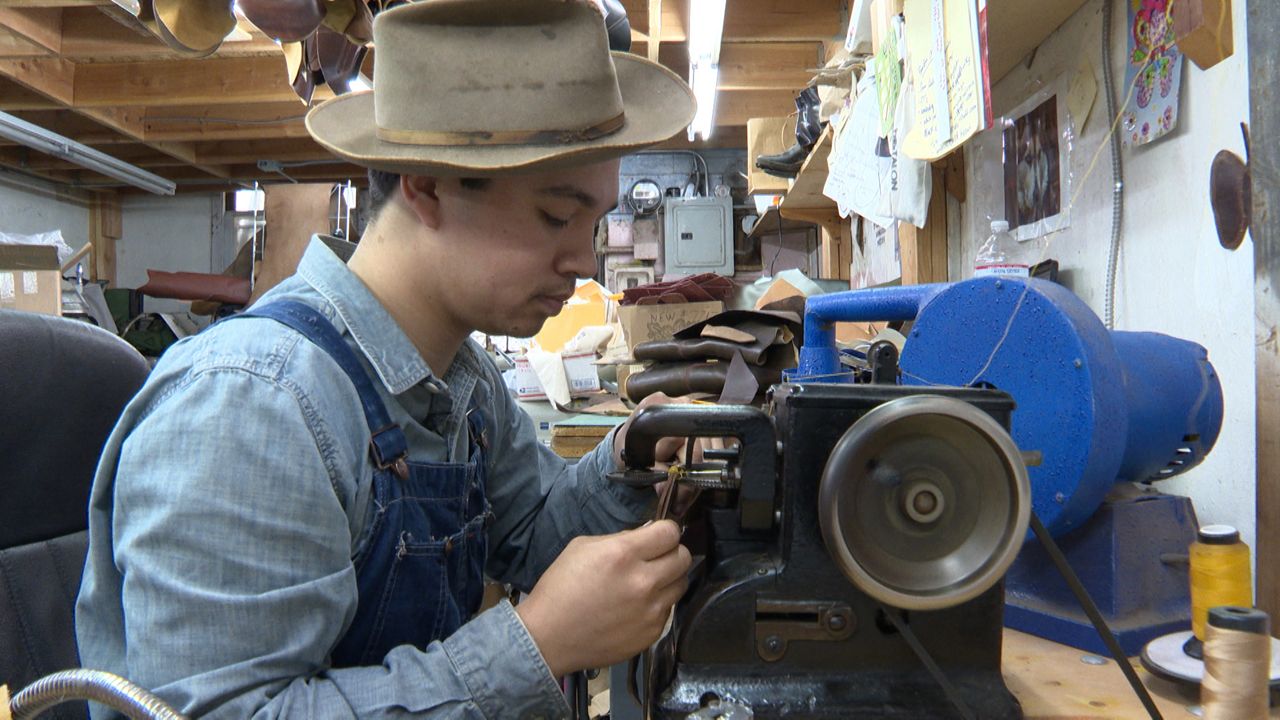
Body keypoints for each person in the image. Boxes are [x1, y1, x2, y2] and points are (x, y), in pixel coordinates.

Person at [75, 1, 698, 717]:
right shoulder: (251, 406)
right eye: (557, 216)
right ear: (426, 185)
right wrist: (535, 645)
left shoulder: (465, 383)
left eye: (594, 222)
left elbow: (534, 537)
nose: (584, 262)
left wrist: (631, 452)